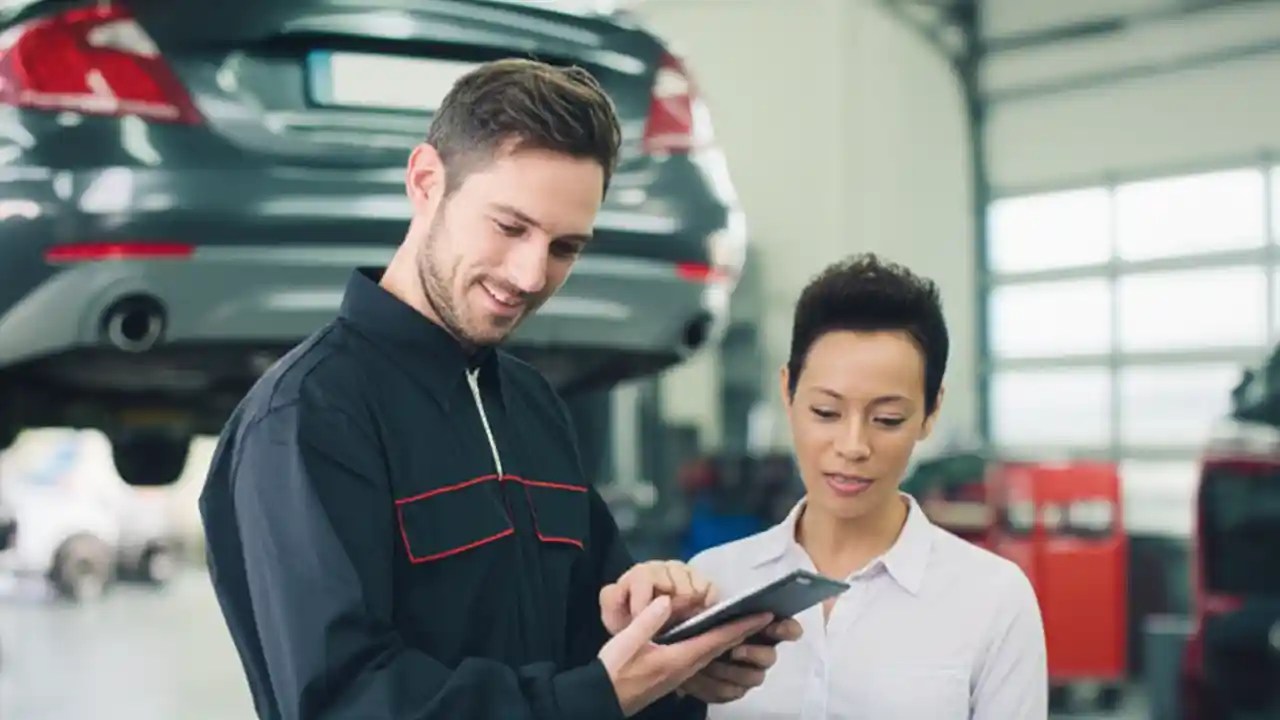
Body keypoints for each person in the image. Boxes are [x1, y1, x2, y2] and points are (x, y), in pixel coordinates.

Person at [198, 58, 799, 720]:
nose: (531, 274)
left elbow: (588, 650)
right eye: (510, 227)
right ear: (427, 182)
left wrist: (677, 668)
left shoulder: (533, 405)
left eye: (566, 246)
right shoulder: (310, 417)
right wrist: (605, 692)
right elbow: (347, 700)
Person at [689, 254, 1048, 719]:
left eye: (887, 420)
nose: (853, 445)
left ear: (931, 412)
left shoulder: (993, 599)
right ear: (788, 392)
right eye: (826, 413)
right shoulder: (715, 583)